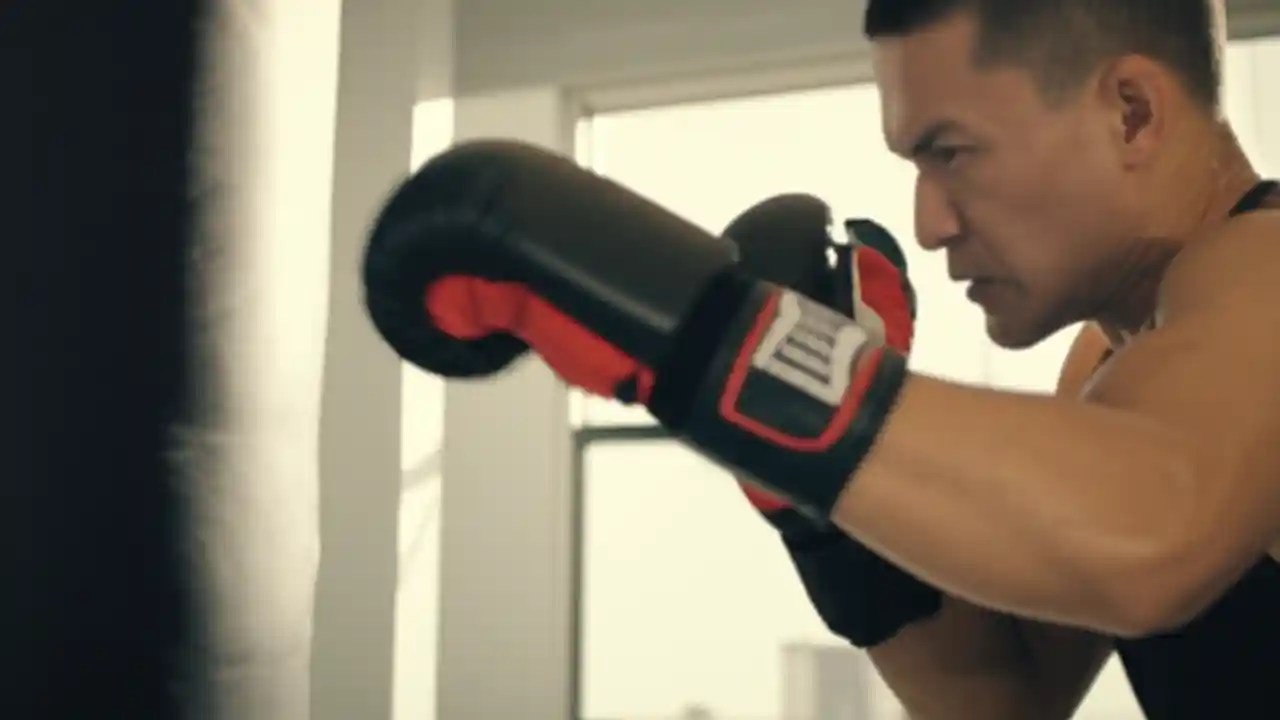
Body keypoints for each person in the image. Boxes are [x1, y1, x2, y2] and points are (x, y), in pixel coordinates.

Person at [361, 1, 1280, 719]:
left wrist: (730, 348)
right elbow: (1001, 700)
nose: (930, 223)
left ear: (1130, 113)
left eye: (953, 153)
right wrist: (822, 514)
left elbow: (1157, 526)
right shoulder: (1110, 365)